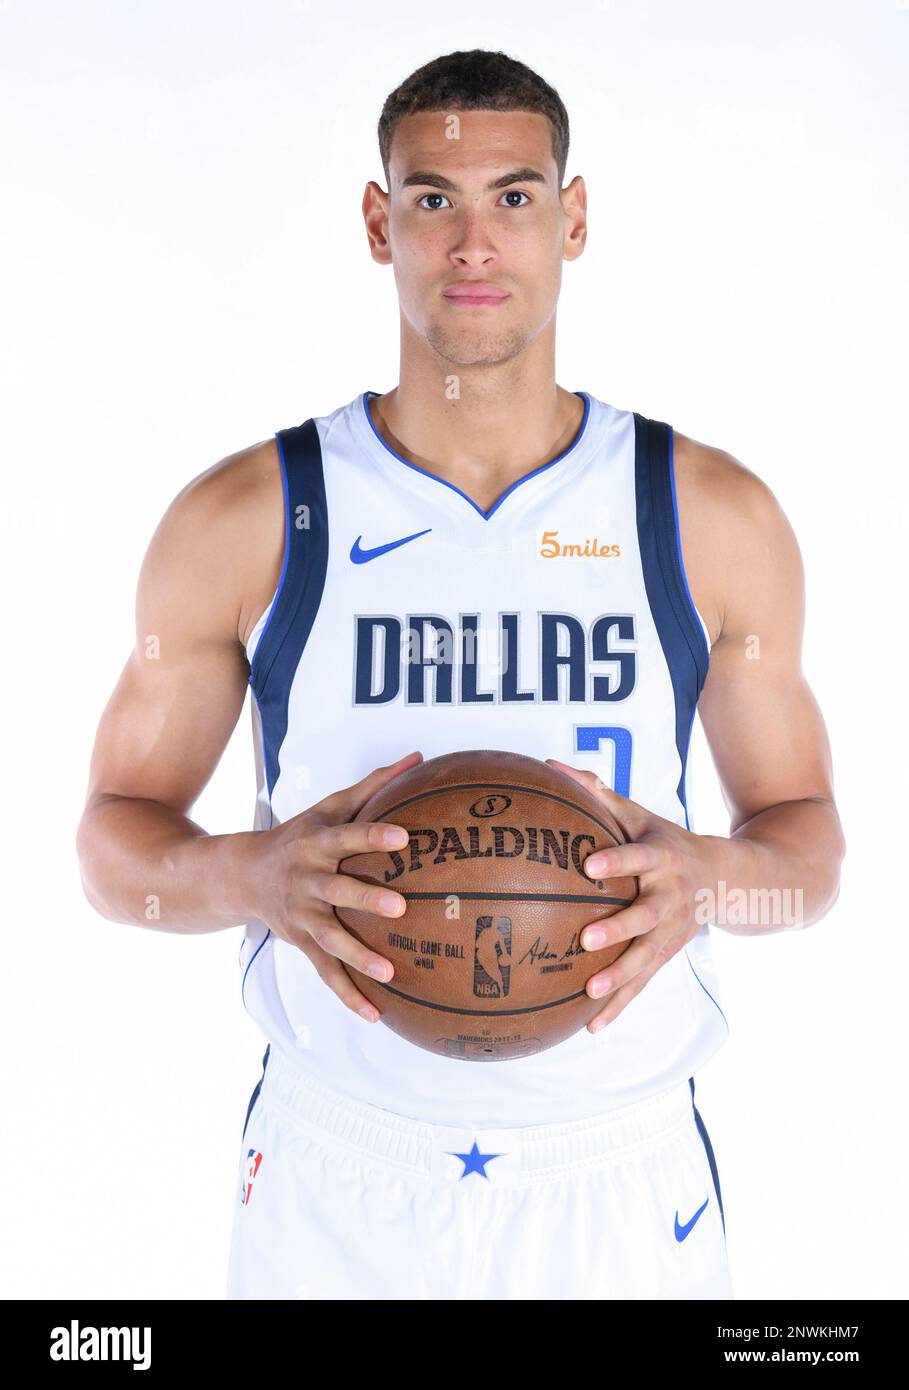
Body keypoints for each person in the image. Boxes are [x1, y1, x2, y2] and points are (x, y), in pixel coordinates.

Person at [76, 48, 845, 1300]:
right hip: (338, 1166)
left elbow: (808, 854)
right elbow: (112, 850)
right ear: (381, 225)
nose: (473, 243)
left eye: (516, 198)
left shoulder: (703, 513)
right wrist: (245, 872)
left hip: (619, 1164)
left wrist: (711, 878)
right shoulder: (254, 514)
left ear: (574, 218)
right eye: (433, 199)